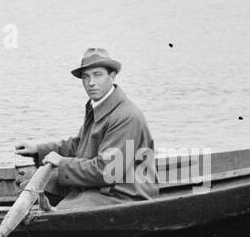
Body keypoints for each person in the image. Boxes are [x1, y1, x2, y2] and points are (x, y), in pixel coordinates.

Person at [15, 47, 157, 210]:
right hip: (99, 185)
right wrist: (39, 149)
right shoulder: (98, 105)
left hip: (125, 194)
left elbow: (107, 171)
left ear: (112, 76)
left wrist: (61, 162)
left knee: (62, 213)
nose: (91, 83)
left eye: (97, 75)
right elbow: (78, 145)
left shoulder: (126, 116)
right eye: (85, 77)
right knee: (28, 188)